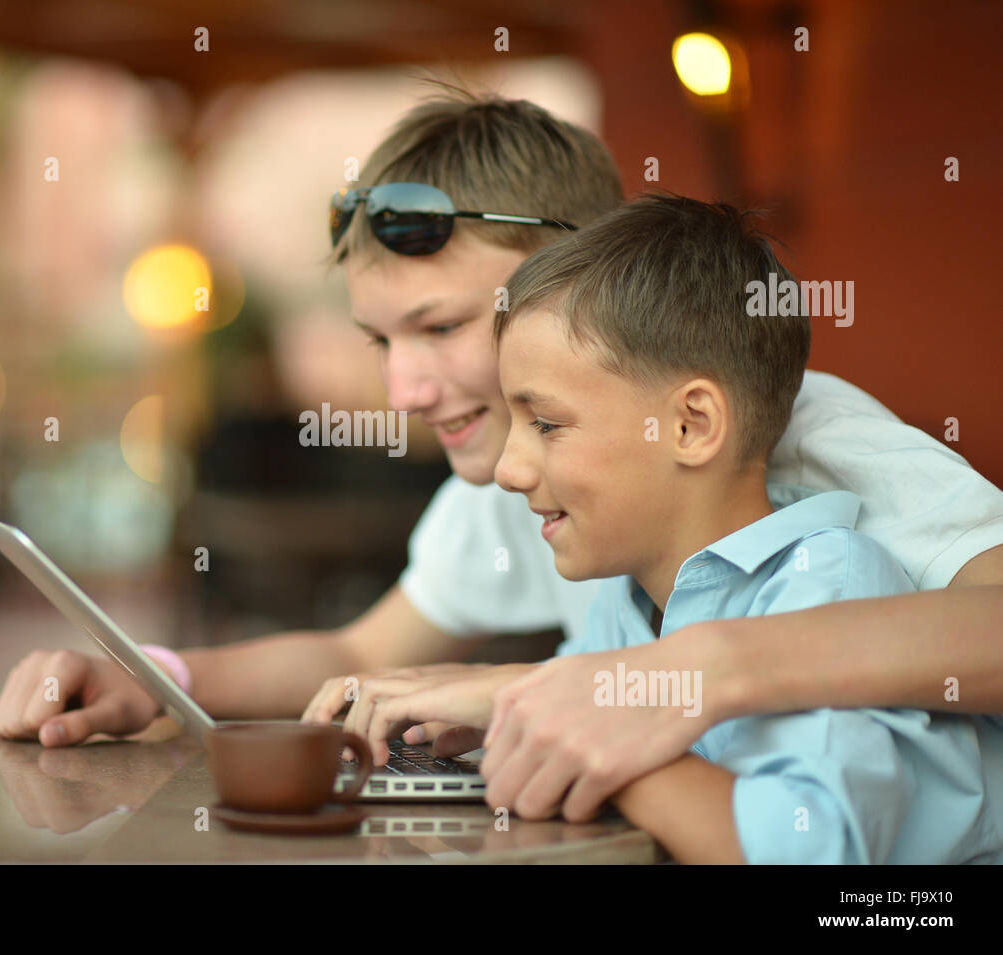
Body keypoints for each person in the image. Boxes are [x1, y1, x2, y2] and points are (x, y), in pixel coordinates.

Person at [0, 86, 1003, 823]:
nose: (405, 391)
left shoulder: (802, 433)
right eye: (382, 343)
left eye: (440, 326)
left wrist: (685, 673)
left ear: (579, 272)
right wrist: (156, 676)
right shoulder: (523, 471)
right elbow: (353, 655)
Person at [350, 194, 1003, 862]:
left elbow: (810, 852)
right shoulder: (627, 603)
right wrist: (508, 708)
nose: (510, 469)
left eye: (545, 423)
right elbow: (571, 720)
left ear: (690, 425)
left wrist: (613, 748)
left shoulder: (829, 581)